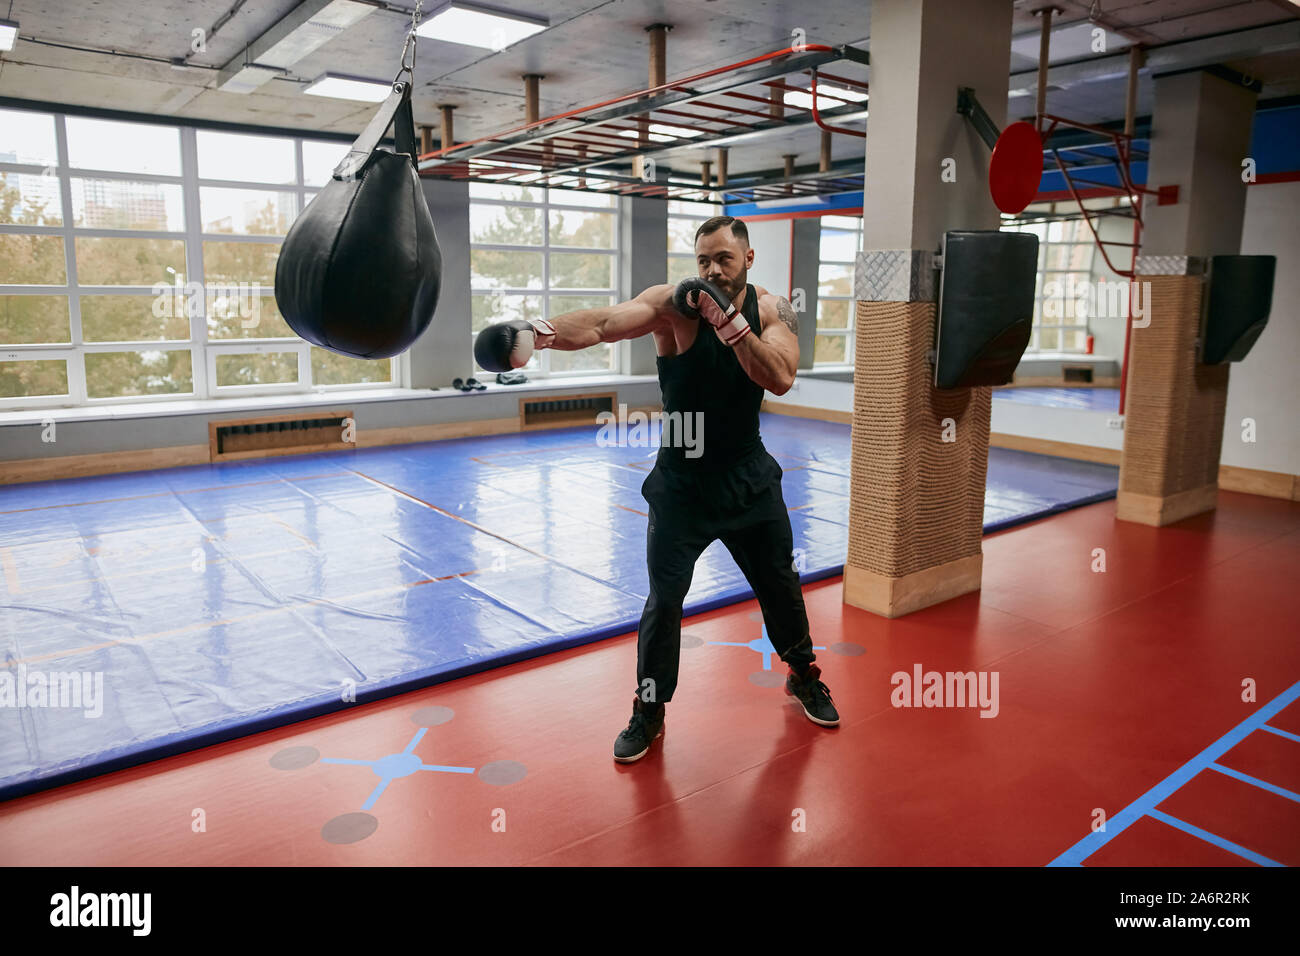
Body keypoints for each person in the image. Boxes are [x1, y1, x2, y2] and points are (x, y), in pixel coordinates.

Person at [474, 215, 839, 763]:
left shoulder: (773, 308)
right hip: (682, 484)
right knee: (664, 602)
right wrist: (539, 334)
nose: (712, 270)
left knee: (780, 585)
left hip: (748, 477)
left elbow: (781, 376)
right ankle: (650, 708)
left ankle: (803, 674)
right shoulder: (674, 304)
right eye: (703, 261)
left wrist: (732, 326)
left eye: (724, 259)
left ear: (748, 259)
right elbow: (603, 323)